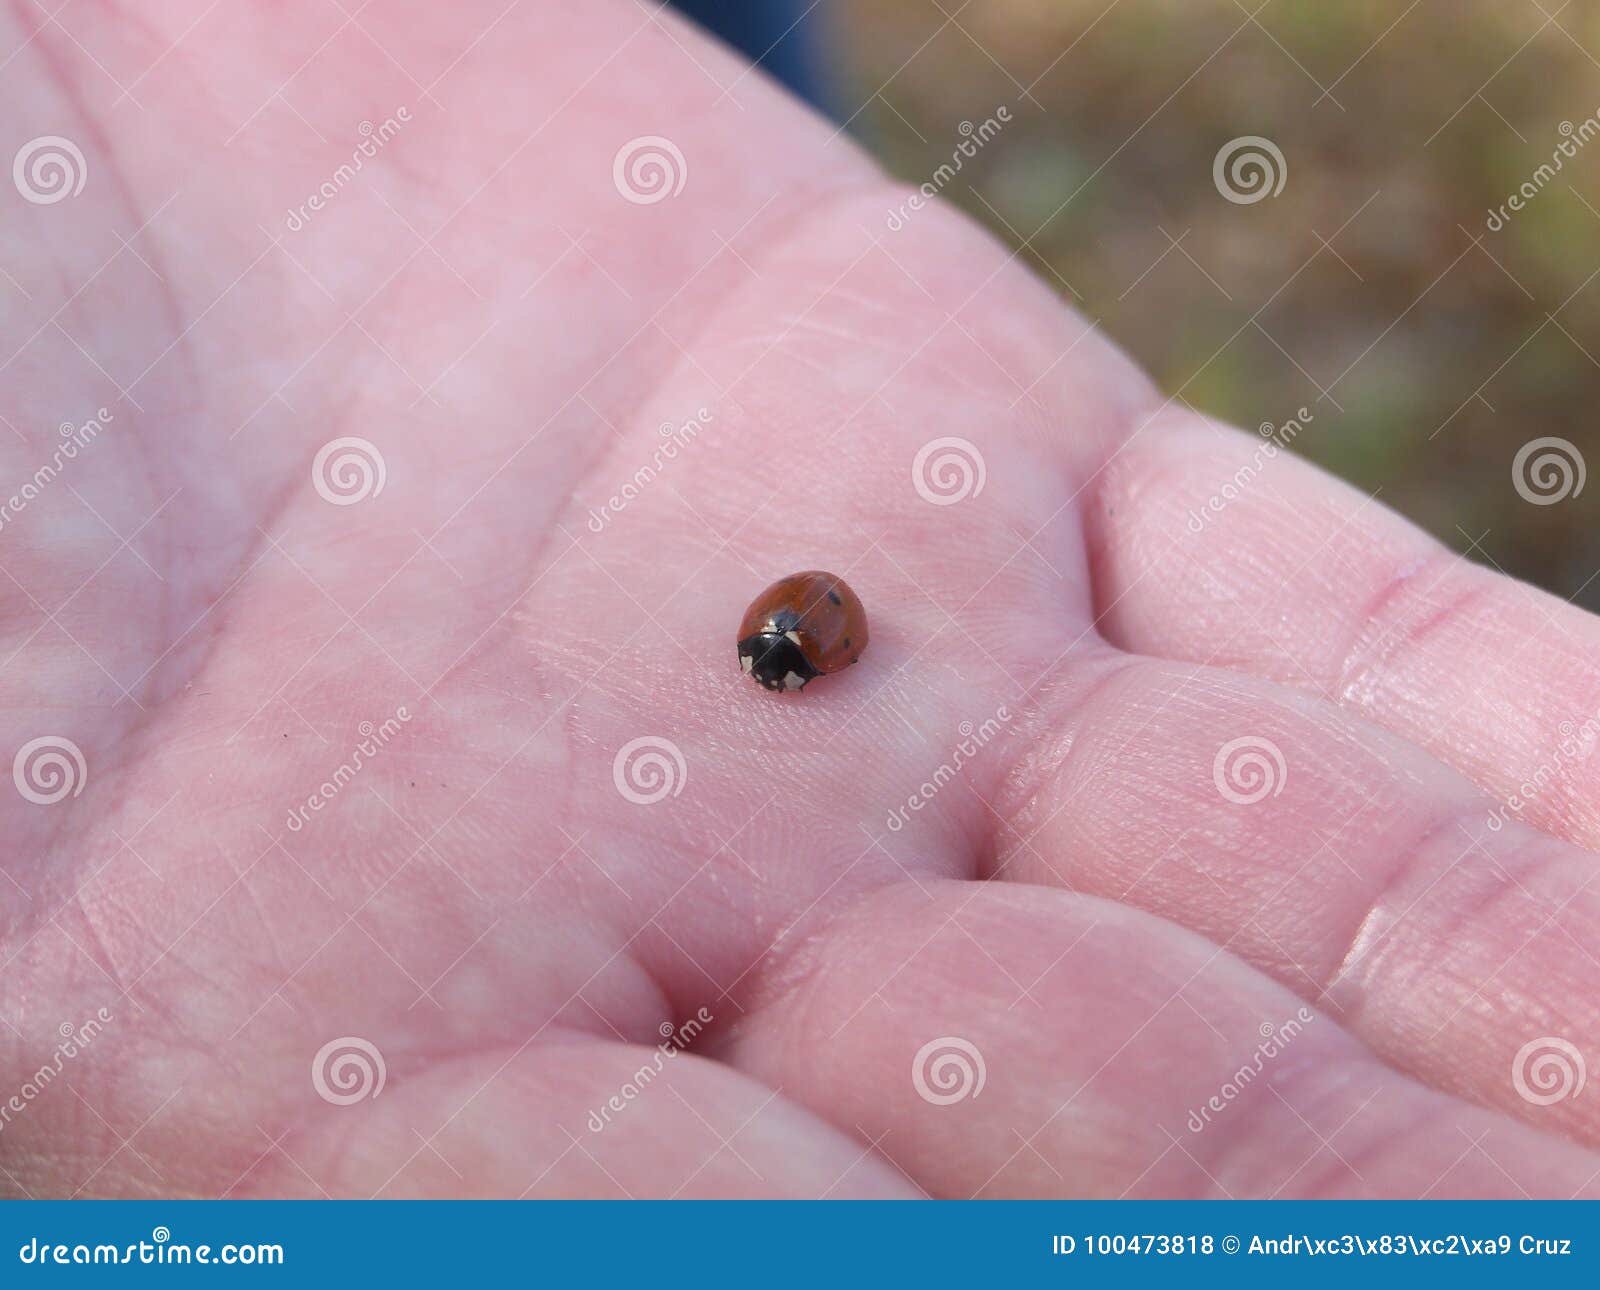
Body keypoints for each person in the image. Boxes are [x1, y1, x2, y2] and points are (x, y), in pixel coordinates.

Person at [0, 0, 1594, 1199]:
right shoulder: (795, 620)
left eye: (791, 655)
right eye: (790, 656)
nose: (793, 659)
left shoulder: (813, 618)